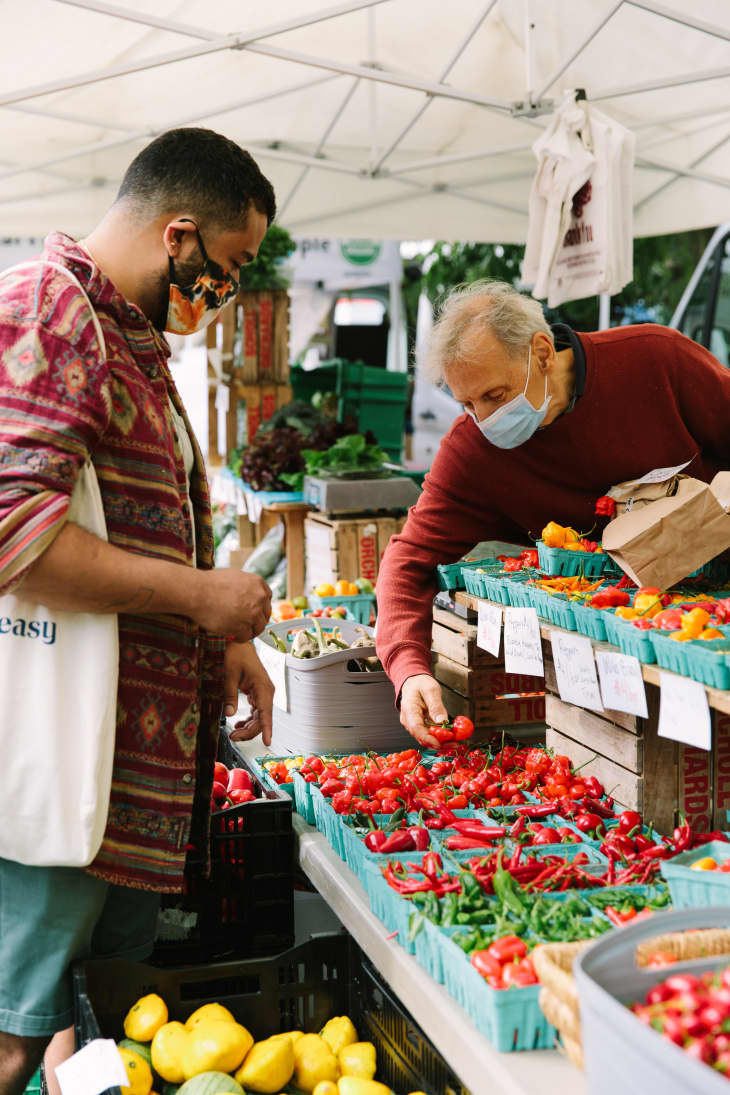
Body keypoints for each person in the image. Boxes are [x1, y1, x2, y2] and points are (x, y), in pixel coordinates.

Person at [0, 128, 277, 1095]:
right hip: (61, 773)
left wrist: (220, 638)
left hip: (114, 786)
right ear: (181, 235)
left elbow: (131, 523)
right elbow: (14, 535)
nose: (227, 293)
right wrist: (204, 596)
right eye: (230, 268)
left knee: (80, 1036)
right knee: (14, 1032)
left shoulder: (125, 335)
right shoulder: (52, 311)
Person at [376, 279, 730, 747]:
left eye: (496, 396)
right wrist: (409, 668)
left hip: (711, 627)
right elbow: (407, 563)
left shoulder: (656, 359)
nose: (484, 419)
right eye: (467, 404)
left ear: (542, 352)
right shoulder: (472, 453)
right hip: (599, 667)